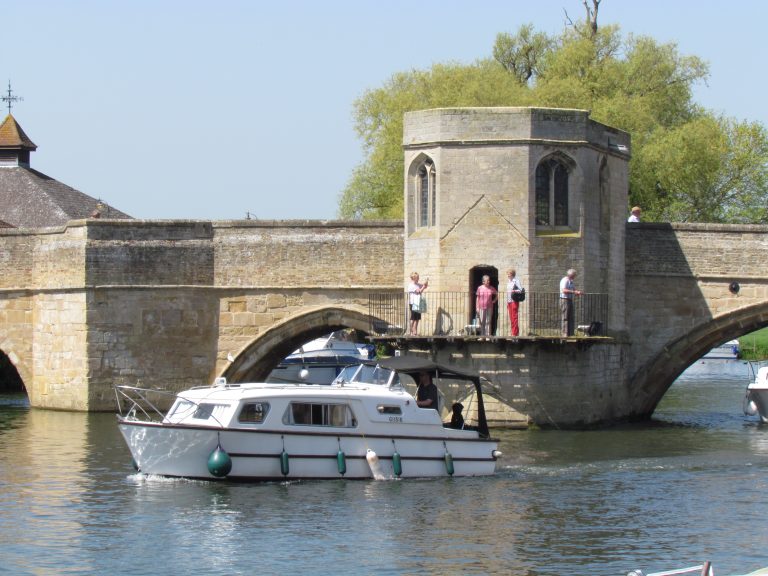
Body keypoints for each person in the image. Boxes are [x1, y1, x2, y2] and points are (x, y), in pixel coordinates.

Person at [559, 268, 582, 337]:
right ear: (571, 275)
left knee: (571, 317)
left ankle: (571, 333)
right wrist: (574, 292)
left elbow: (573, 289)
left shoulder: (570, 281)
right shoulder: (565, 280)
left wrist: (577, 292)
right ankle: (565, 333)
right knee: (565, 317)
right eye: (574, 275)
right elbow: (564, 290)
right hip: (564, 299)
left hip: (569, 299)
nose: (575, 277)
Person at [505, 268, 523, 337]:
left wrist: (514, 291)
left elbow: (521, 290)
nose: (508, 276)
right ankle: (514, 332)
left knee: (514, 317)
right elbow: (507, 293)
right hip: (509, 301)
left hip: (514, 301)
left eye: (509, 274)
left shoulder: (516, 281)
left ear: (512, 274)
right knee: (511, 317)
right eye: (508, 274)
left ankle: (515, 333)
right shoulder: (508, 282)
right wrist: (507, 302)